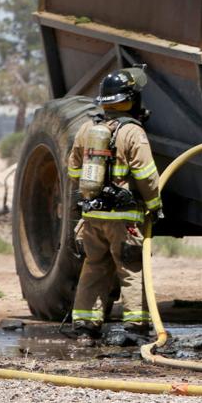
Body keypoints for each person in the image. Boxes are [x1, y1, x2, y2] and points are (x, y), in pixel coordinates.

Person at [66, 67, 161, 339]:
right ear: (131, 99)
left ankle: (85, 326)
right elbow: (146, 175)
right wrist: (155, 205)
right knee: (130, 268)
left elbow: (73, 169)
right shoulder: (132, 133)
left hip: (92, 215)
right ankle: (136, 328)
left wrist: (88, 195)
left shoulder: (87, 129)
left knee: (94, 266)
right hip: (125, 219)